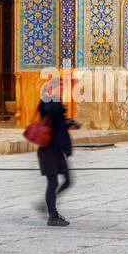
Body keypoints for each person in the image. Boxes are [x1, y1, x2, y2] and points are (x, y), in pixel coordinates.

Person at [36, 76, 79, 226]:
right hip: (48, 150)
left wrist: (68, 123)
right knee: (53, 182)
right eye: (60, 86)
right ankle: (52, 215)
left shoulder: (55, 103)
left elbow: (57, 125)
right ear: (51, 88)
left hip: (57, 150)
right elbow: (50, 116)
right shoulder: (48, 102)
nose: (62, 89)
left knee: (67, 181)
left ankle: (47, 205)